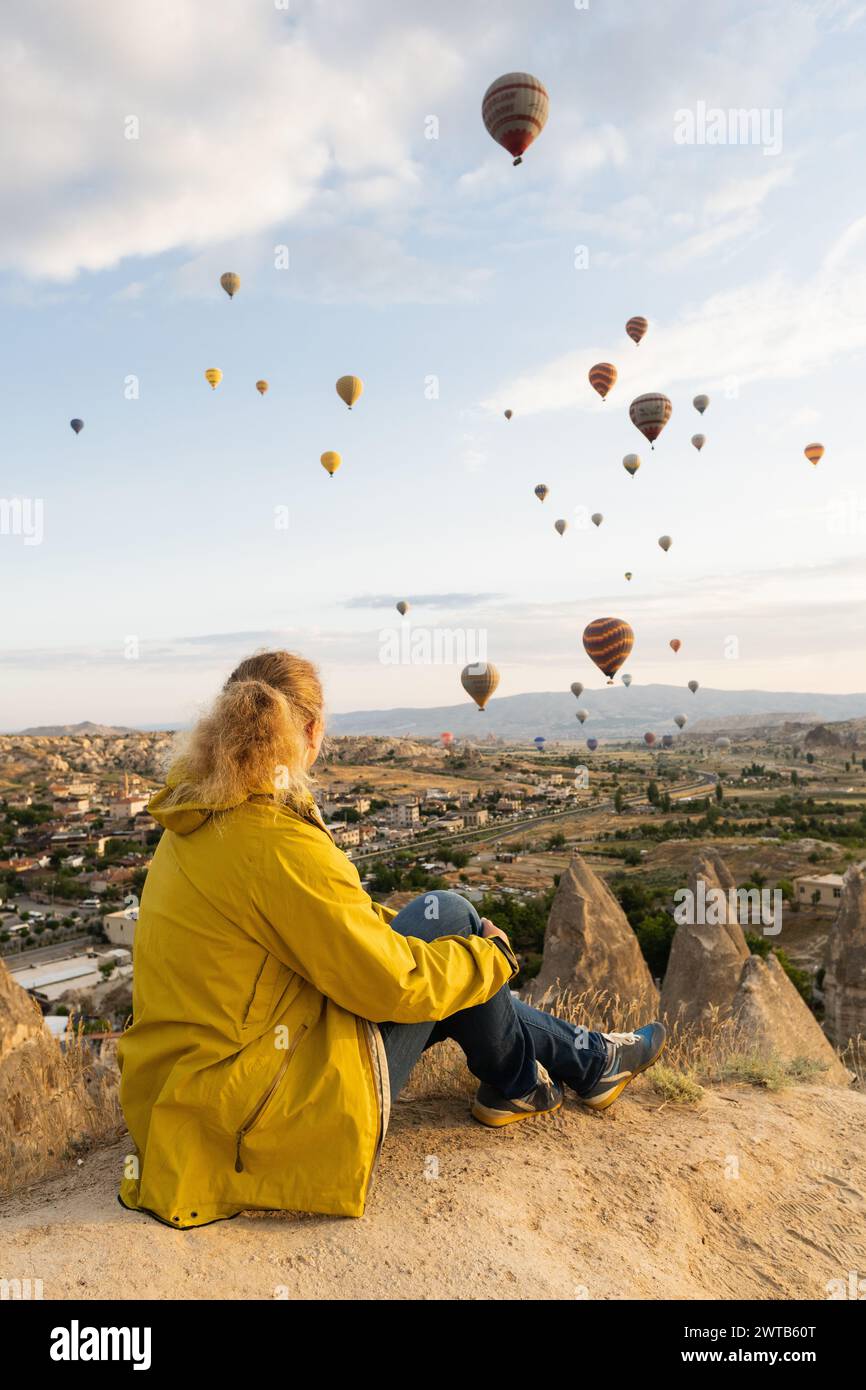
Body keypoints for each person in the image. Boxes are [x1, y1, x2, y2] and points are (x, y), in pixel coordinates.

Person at [117, 651, 665, 1229]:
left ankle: (553, 1070)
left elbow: (326, 917)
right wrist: (492, 956)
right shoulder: (274, 840)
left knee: (440, 937)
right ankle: (546, 1071)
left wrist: (439, 950)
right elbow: (390, 986)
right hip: (249, 1116)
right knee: (451, 917)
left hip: (183, 1093)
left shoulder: (198, 821)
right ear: (309, 731)